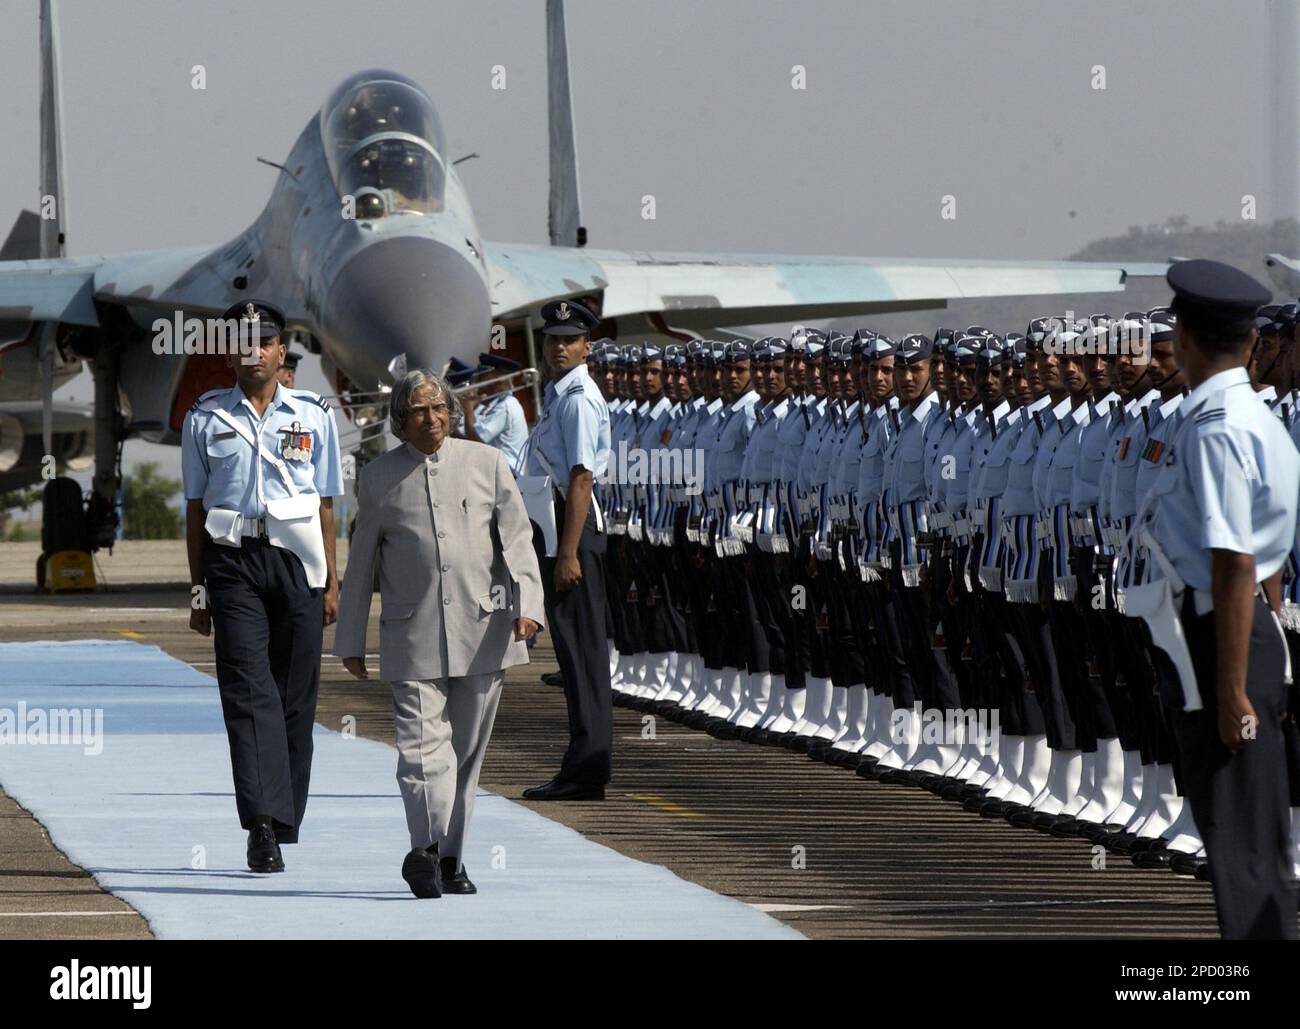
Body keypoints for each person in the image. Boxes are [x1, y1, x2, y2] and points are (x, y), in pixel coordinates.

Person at [334, 368, 544, 899]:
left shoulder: (487, 462)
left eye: (439, 408)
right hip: (411, 635)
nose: (433, 419)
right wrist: (351, 638)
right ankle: (423, 850)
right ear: (401, 421)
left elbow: (518, 539)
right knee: (424, 752)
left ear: (451, 411)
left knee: (466, 756)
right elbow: (361, 564)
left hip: (485, 629)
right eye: (419, 412)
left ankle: (450, 859)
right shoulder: (379, 476)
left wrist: (529, 607)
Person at [1141, 258, 1299, 939]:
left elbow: (1235, 560)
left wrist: (1232, 691)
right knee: (1248, 838)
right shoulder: (1244, 413)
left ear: (1184, 336)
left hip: (1219, 642)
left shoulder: (1218, 425)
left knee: (1240, 843)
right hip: (1231, 633)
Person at [181, 300, 343, 874]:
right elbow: (195, 508)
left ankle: (286, 813)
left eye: (265, 341)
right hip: (232, 562)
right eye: (243, 342)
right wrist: (198, 589)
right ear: (230, 352)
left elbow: (325, 504)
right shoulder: (204, 417)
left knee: (294, 696)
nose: (254, 351)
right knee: (248, 695)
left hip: (299, 561)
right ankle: (262, 825)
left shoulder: (315, 414)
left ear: (280, 351)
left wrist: (330, 581)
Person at [520, 300, 614, 801]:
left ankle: (587, 770)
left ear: (586, 347)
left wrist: (568, 553)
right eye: (552, 339)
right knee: (575, 655)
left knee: (582, 656)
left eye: (569, 340)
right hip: (556, 526)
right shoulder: (560, 393)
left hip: (568, 527)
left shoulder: (577, 398)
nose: (559, 347)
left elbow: (580, 477)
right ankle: (583, 766)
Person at [460, 351, 529, 469]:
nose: (479, 381)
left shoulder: (506, 405)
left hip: (509, 474)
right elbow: (465, 435)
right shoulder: (496, 404)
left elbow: (475, 443)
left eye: (483, 376)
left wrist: (469, 410)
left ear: (497, 380)